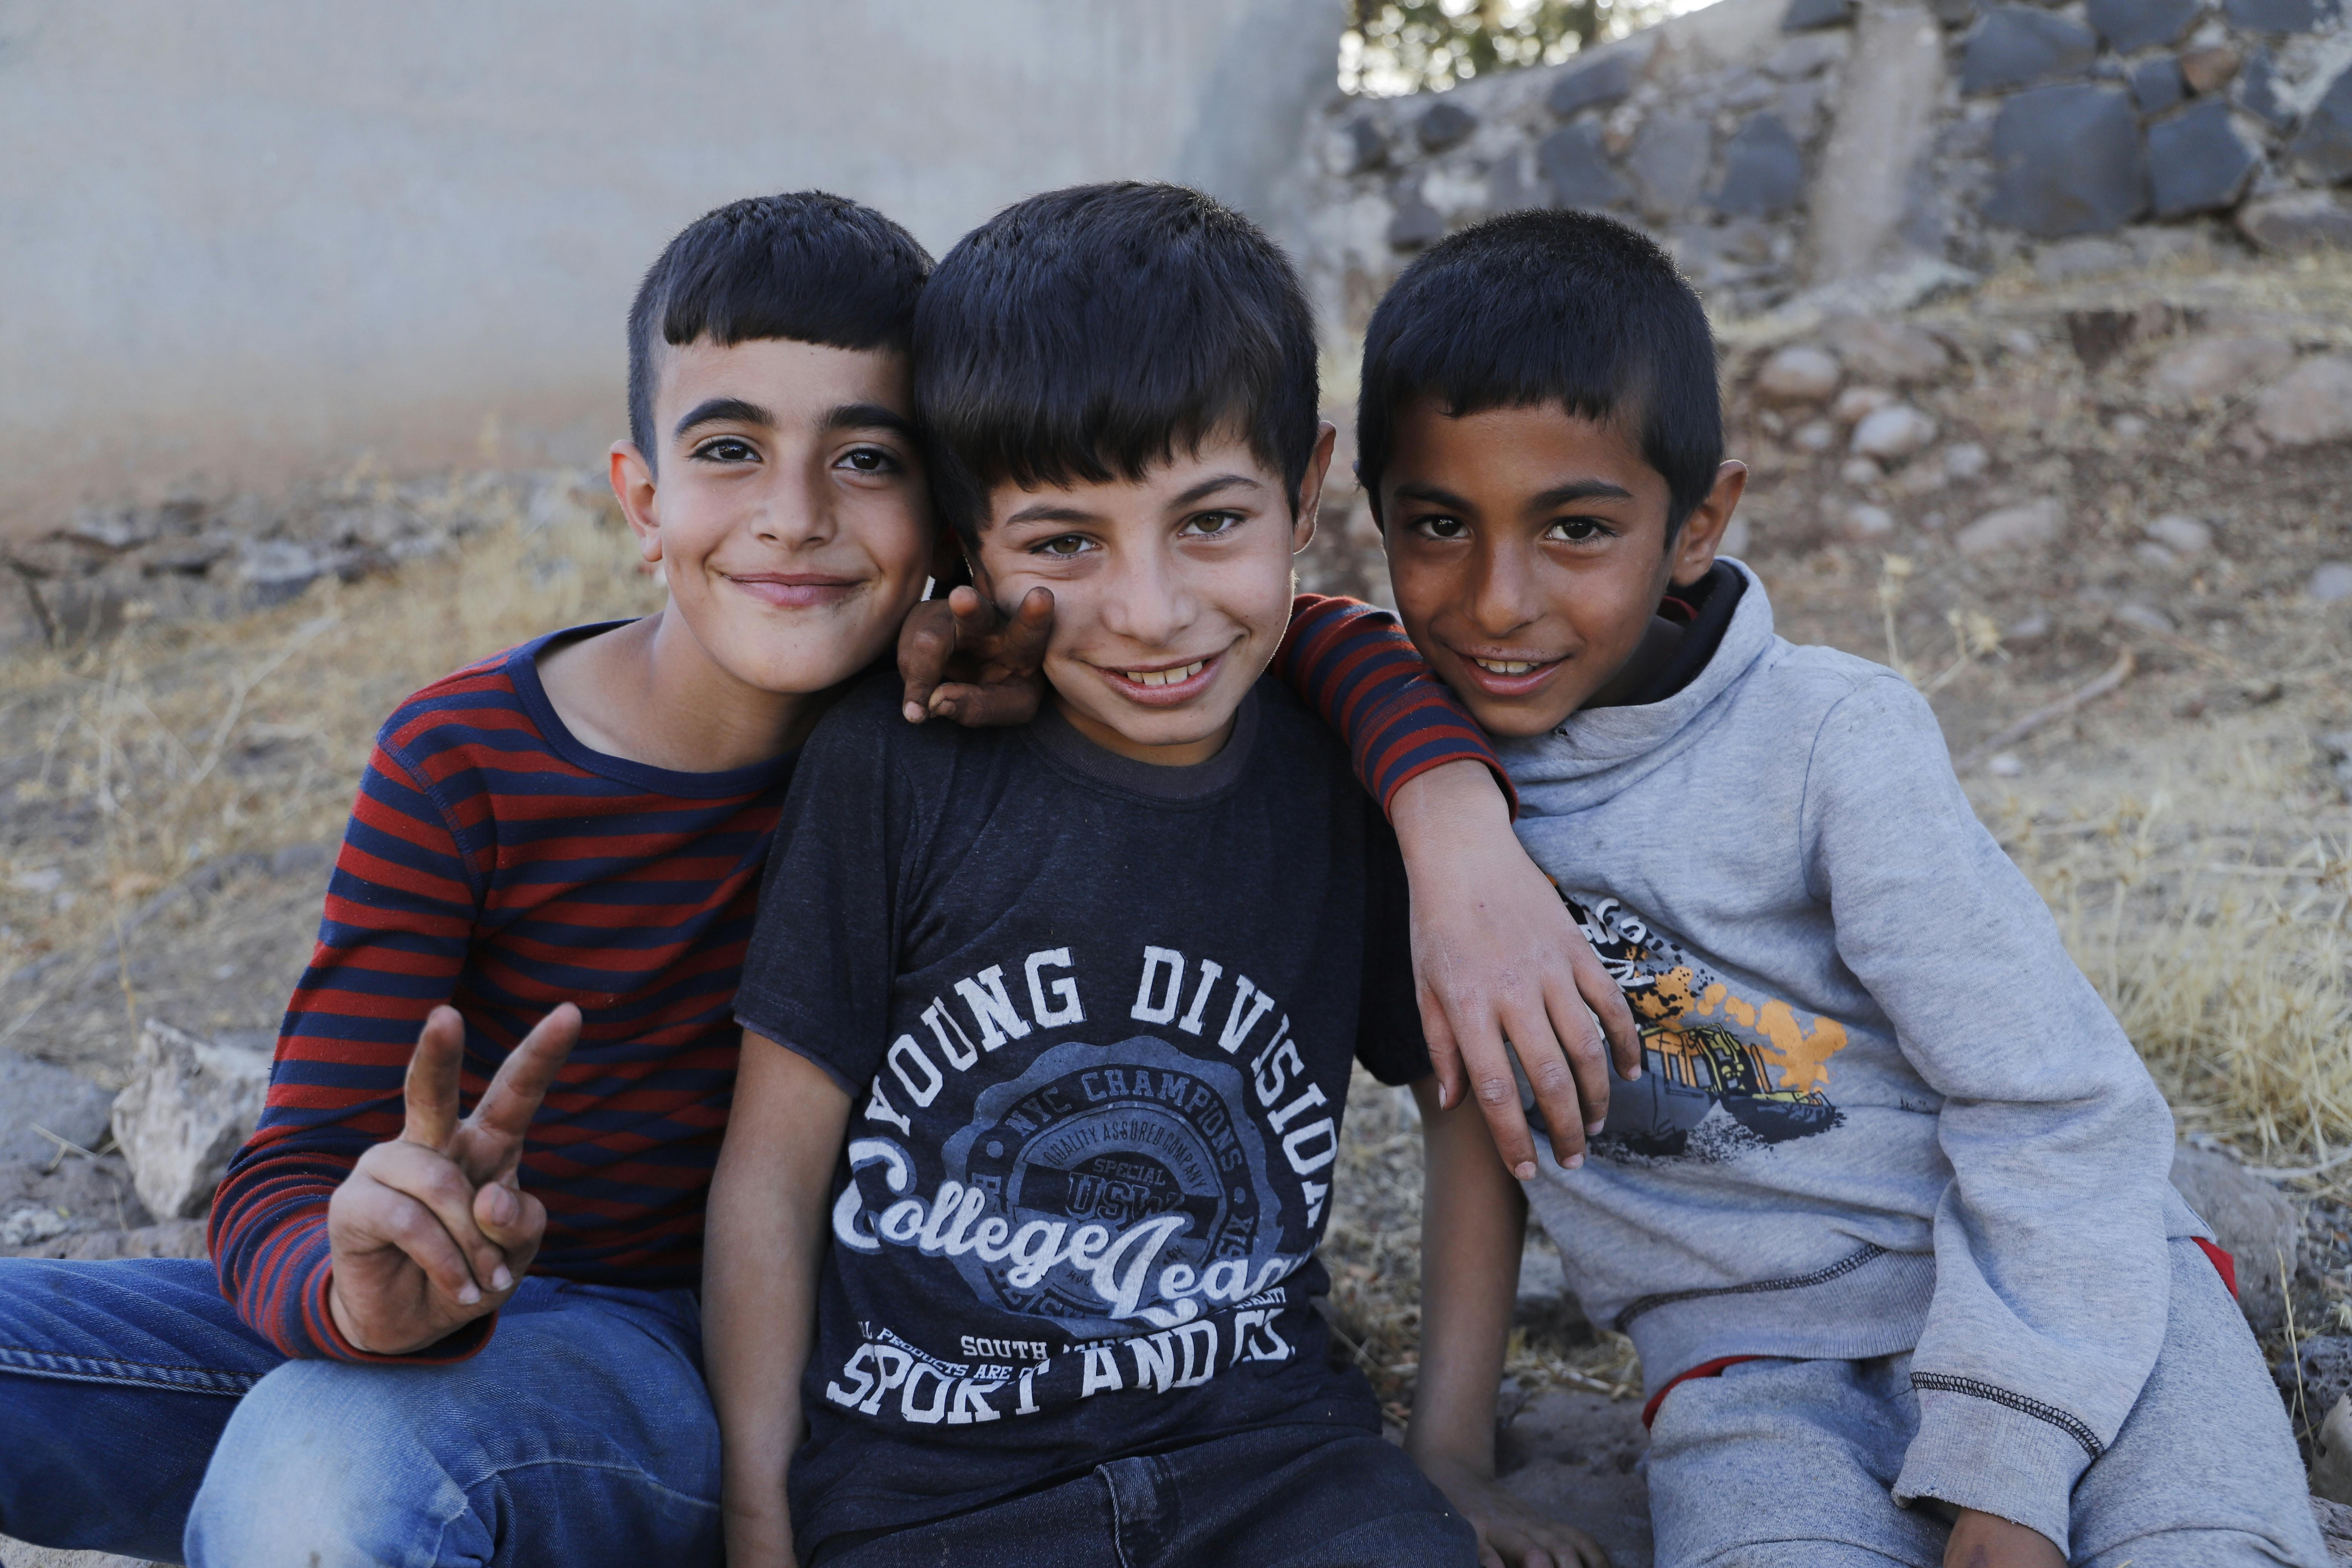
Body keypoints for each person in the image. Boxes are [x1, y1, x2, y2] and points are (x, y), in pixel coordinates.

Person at [0, 192, 1625, 1565]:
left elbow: (1305, 627)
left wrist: (1451, 817)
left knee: (326, 1466)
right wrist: (359, 1288)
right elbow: (293, 1176)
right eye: (730, 449)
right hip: (455, 1308)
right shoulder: (476, 757)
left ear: (931, 515)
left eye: (860, 459)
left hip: (712, 1362)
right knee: (259, 1391)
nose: (792, 520)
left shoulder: (966, 703)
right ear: (643, 502)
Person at [1367, 208, 2326, 1568]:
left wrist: (2014, 1458)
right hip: (1754, 1381)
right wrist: (1452, 1454)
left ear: (1697, 522)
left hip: (2066, 1314)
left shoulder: (1832, 742)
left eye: (1576, 529)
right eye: (1438, 526)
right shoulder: (1404, 787)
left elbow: (2052, 1101)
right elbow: (1473, 1106)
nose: (1496, 599)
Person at [708, 181, 1608, 1568]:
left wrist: (1448, 1457)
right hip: (932, 1497)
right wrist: (762, 1524)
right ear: (969, 547)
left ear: (1305, 493)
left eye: (1210, 523)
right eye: (1065, 543)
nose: (1152, 610)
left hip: (1275, 1466)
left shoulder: (1340, 781)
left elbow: (1460, 1101)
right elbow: (773, 1172)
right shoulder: (891, 771)